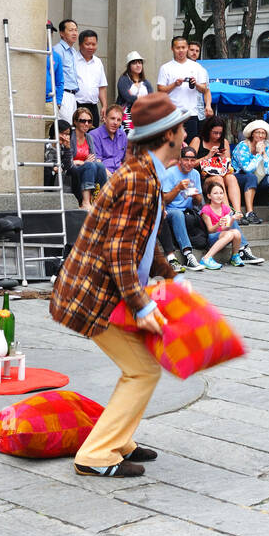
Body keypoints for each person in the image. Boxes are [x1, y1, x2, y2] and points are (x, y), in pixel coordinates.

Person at [52, 91, 187, 478]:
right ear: (167, 136)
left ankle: (119, 439)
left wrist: (170, 275)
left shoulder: (144, 172)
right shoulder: (140, 178)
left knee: (139, 367)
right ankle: (96, 454)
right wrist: (143, 307)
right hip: (94, 294)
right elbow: (119, 251)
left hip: (102, 290)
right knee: (143, 369)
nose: (185, 135)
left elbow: (146, 237)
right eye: (180, 128)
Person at [159, 143, 206, 271]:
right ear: (180, 160)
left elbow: (198, 202)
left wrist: (196, 196)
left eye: (192, 160)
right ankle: (188, 254)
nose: (189, 163)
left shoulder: (195, 174)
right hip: (170, 211)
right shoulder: (170, 173)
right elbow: (165, 200)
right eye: (186, 160)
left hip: (188, 212)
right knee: (177, 214)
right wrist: (178, 188)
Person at [199, 176, 261, 268]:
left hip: (223, 235)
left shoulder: (225, 208)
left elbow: (225, 228)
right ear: (209, 196)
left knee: (236, 233)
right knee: (229, 234)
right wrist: (218, 224)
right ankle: (206, 258)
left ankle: (235, 256)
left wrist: (232, 219)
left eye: (221, 193)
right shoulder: (206, 210)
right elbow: (210, 230)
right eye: (215, 193)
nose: (219, 195)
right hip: (212, 237)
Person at [156, 36, 208, 140]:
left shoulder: (196, 67)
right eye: (178, 48)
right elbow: (160, 89)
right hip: (172, 114)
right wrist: (174, 84)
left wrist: (196, 84)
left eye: (183, 47)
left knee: (191, 149)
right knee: (172, 147)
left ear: (187, 48)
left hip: (191, 114)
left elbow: (204, 89)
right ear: (172, 49)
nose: (181, 51)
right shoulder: (166, 68)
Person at [232, 118, 269, 223]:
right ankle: (249, 213)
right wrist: (258, 155)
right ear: (252, 134)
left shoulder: (267, 147)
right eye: (257, 132)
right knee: (251, 177)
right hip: (239, 179)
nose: (260, 135)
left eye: (263, 133)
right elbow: (247, 169)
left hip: (258, 180)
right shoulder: (243, 146)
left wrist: (264, 154)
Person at [195, 115, 244, 216]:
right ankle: (228, 212)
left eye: (220, 133)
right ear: (208, 130)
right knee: (217, 179)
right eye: (215, 133)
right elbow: (189, 163)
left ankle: (238, 212)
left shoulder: (224, 142)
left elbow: (228, 166)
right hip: (203, 178)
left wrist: (223, 158)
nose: (217, 136)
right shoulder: (198, 141)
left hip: (221, 174)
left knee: (231, 178)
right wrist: (207, 156)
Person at [69, 106, 109, 209]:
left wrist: (85, 162)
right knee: (90, 165)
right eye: (82, 121)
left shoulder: (89, 137)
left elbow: (93, 157)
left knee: (99, 165)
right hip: (73, 170)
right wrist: (80, 162)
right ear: (75, 122)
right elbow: (67, 160)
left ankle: (100, 200)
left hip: (87, 168)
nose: (86, 124)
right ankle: (85, 202)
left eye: (89, 121)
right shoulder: (70, 136)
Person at [70, 29, 108, 128]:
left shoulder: (98, 62)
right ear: (80, 44)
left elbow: (102, 86)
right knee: (76, 134)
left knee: (92, 135)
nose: (91, 47)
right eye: (87, 44)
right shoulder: (72, 59)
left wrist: (104, 105)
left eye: (94, 44)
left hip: (93, 106)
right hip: (76, 105)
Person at [115, 50, 154, 126]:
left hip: (143, 116)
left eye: (140, 63)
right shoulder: (124, 80)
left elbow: (151, 99)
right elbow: (128, 97)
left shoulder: (146, 82)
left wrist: (138, 98)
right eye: (134, 63)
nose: (138, 65)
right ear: (129, 65)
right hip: (125, 116)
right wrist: (144, 98)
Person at [54, 19, 81, 123]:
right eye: (71, 30)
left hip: (73, 95)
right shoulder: (57, 50)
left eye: (76, 30)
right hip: (63, 93)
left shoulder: (73, 51)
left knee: (72, 127)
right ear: (61, 33)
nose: (74, 33)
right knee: (65, 126)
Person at [89, 104, 128, 174]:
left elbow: (126, 159)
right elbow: (97, 162)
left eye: (118, 120)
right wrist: (112, 178)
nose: (115, 122)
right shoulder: (94, 135)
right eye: (112, 118)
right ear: (105, 119)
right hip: (103, 174)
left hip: (120, 173)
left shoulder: (122, 135)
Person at [186, 41, 214, 124]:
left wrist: (208, 105)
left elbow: (207, 90)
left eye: (197, 51)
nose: (194, 53)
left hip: (199, 112)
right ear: (186, 50)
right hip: (183, 112)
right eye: (192, 50)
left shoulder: (202, 70)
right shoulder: (179, 67)